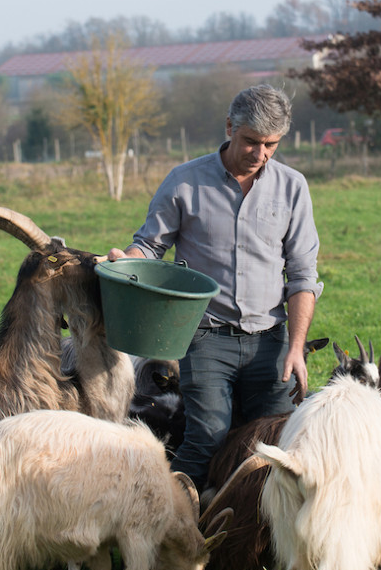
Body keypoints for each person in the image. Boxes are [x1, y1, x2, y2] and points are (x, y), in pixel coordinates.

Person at [107, 84, 322, 491]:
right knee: (207, 438)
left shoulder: (292, 188)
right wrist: (126, 260)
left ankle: (249, 526)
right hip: (205, 338)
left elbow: (302, 274)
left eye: (271, 145)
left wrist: (296, 347)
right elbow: (150, 245)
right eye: (251, 141)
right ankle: (170, 521)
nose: (260, 154)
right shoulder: (185, 182)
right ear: (229, 128)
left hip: (271, 342)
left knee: (276, 442)